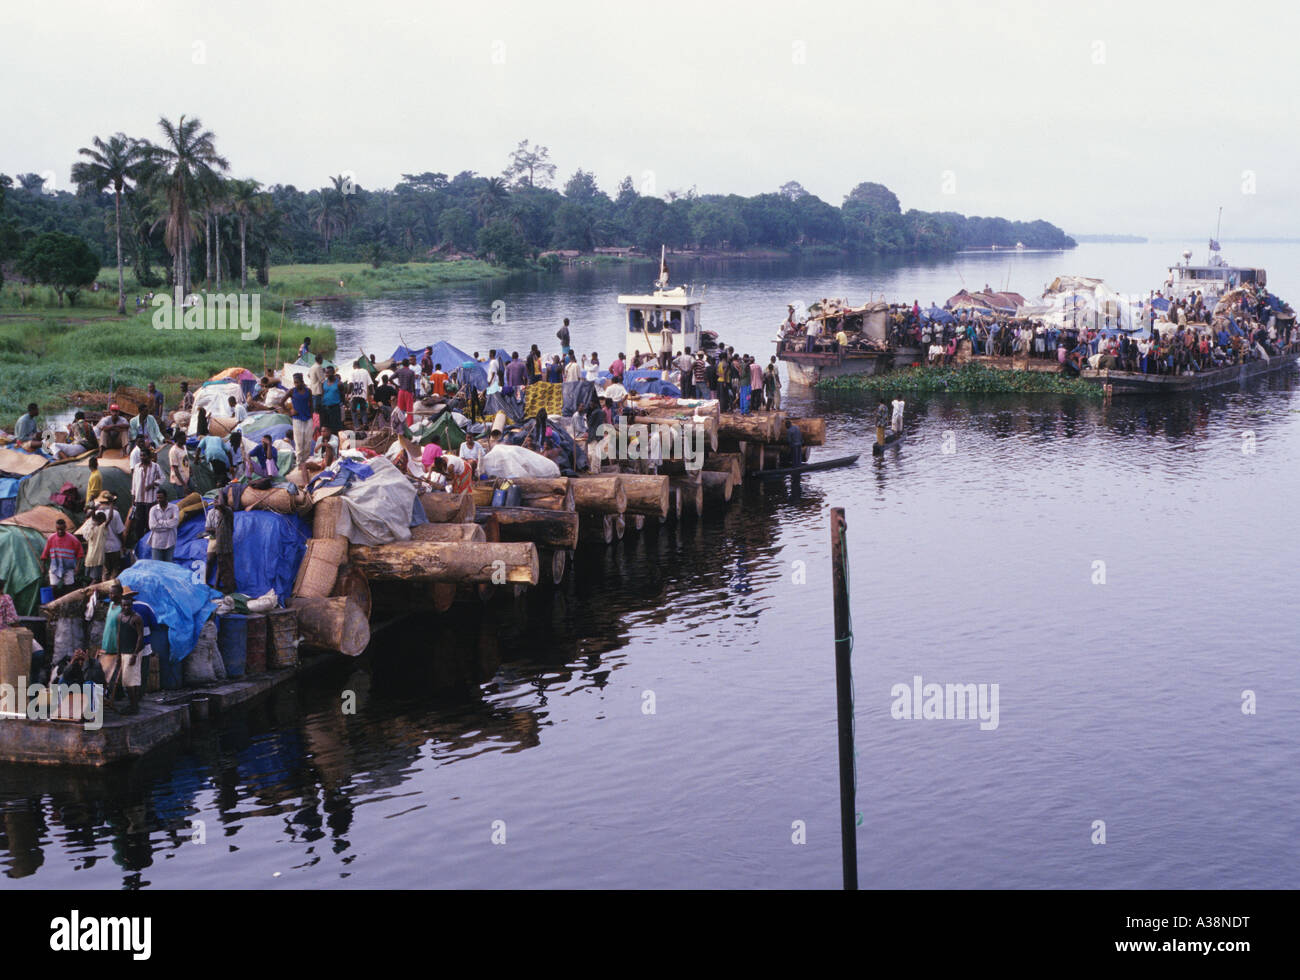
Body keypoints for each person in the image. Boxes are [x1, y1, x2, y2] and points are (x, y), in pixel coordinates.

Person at [115, 594, 145, 715]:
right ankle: (134, 705)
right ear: (121, 606)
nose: (126, 607)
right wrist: (118, 653)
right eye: (124, 605)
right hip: (124, 651)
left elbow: (140, 637)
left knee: (129, 680)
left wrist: (134, 654)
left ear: (132, 605)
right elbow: (118, 635)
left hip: (133, 652)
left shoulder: (136, 618)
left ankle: (134, 706)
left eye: (128, 605)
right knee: (130, 680)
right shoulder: (120, 617)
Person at [40, 519, 84, 598]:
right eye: (58, 529)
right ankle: (55, 603)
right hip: (55, 566)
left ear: (65, 528)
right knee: (53, 587)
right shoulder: (51, 538)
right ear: (56, 528)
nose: (60, 531)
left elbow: (80, 554)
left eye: (62, 529)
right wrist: (42, 566)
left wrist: (77, 567)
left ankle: (67, 603)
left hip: (68, 566)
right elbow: (45, 553)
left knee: (69, 587)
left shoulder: (72, 539)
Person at [203, 489, 236, 593]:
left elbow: (221, 505)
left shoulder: (227, 511)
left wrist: (221, 492)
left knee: (227, 568)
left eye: (217, 501)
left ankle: (229, 589)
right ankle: (216, 586)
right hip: (221, 545)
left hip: (225, 545)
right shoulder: (214, 513)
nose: (215, 503)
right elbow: (208, 528)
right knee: (221, 565)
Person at [129, 447, 163, 546]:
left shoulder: (155, 467)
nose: (142, 457)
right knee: (139, 522)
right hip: (139, 499)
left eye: (144, 455)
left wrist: (153, 484)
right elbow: (134, 483)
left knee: (150, 522)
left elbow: (162, 478)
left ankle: (150, 542)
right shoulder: (137, 467)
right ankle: (139, 543)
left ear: (149, 456)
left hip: (150, 500)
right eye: (141, 455)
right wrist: (133, 498)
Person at [289, 372, 314, 471]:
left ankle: (306, 461)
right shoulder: (292, 391)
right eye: (295, 382)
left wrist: (311, 416)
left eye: (297, 382)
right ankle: (299, 463)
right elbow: (282, 402)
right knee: (299, 443)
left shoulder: (308, 391)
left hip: (308, 419)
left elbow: (311, 404)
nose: (296, 384)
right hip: (297, 419)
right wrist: (290, 412)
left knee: (307, 441)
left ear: (302, 382)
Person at [79, 511, 108, 583]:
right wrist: (111, 504)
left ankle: (87, 590)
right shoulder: (101, 528)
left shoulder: (91, 529)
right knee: (95, 579)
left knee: (89, 579)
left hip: (89, 559)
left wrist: (93, 510)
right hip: (97, 559)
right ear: (102, 520)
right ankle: (88, 592)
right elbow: (110, 518)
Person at [147, 497, 180, 562]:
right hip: (156, 543)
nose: (159, 500)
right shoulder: (153, 509)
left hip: (170, 541)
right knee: (157, 565)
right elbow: (152, 526)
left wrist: (160, 522)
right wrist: (168, 524)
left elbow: (175, 523)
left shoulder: (174, 508)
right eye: (157, 498)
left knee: (168, 566)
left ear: (165, 497)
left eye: (161, 498)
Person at [321, 365, 344, 433]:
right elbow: (322, 394)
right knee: (326, 427)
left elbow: (342, 396)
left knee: (336, 427)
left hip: (335, 408)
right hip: (325, 408)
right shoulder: (324, 383)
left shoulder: (339, 384)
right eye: (326, 373)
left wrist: (341, 405)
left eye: (328, 373)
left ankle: (336, 441)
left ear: (333, 372)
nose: (327, 374)